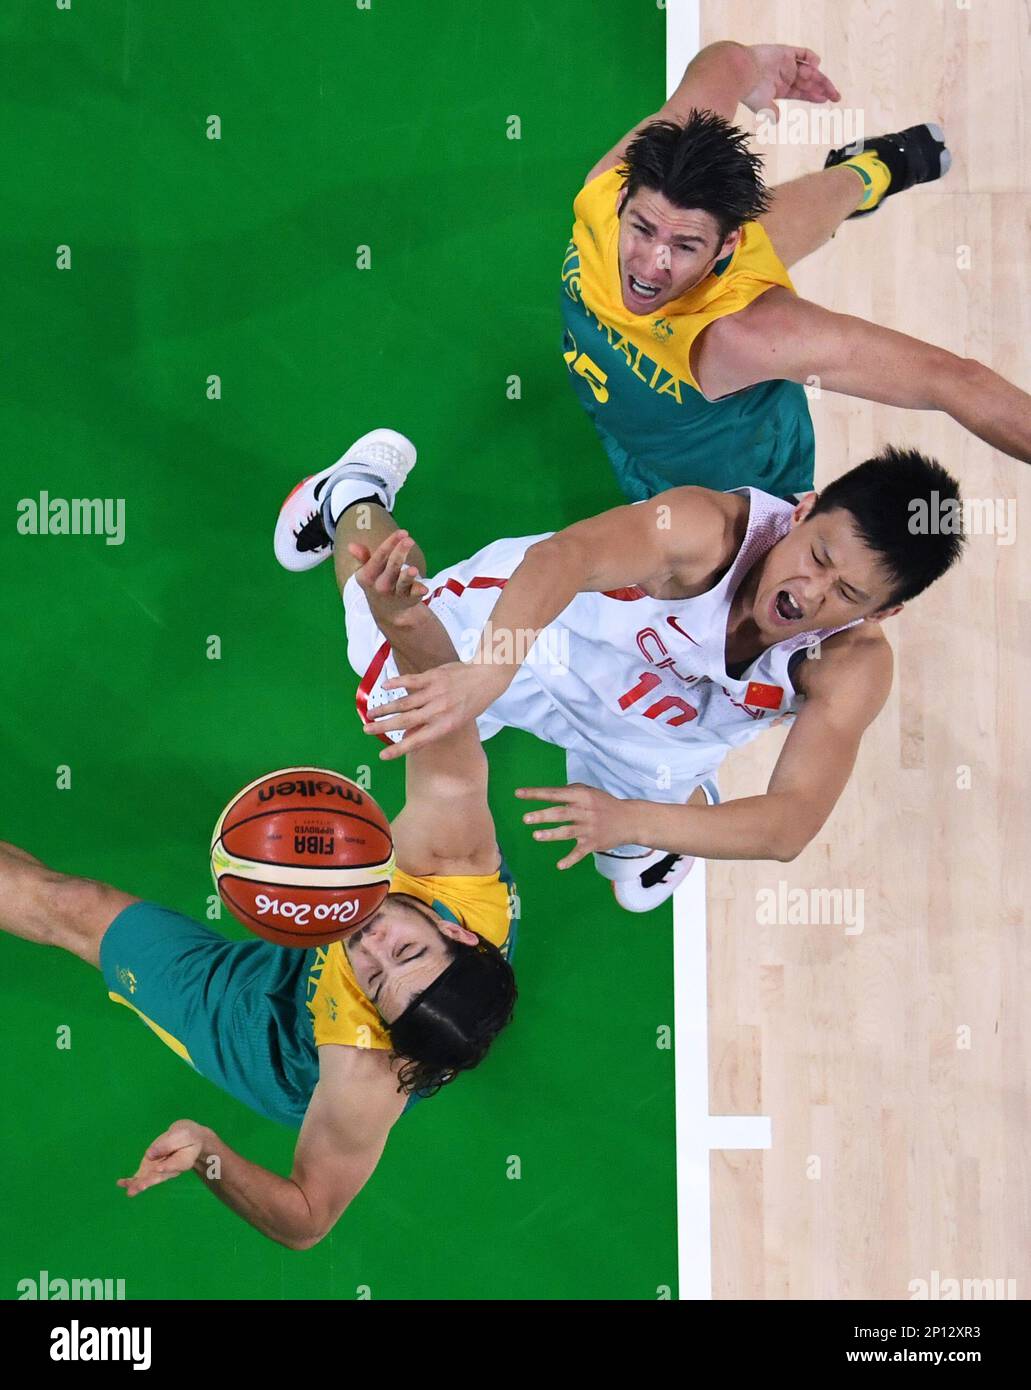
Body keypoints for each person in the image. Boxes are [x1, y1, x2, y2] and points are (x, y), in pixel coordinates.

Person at [0, 530, 517, 1249]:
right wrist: (404, 618)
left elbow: (307, 1220)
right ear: (457, 930)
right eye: (404, 949)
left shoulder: (360, 1074)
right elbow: (447, 738)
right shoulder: (453, 864)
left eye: (375, 977)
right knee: (395, 651)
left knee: (79, 911)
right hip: (388, 935)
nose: (367, 943)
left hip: (275, 1033)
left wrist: (208, 1153)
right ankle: (351, 500)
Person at [275, 429, 964, 913]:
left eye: (846, 595)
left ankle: (670, 811)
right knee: (387, 680)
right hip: (538, 637)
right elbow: (563, 558)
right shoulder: (700, 529)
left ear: (887, 611)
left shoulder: (852, 665)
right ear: (804, 511)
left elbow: (787, 827)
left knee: (628, 876)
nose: (807, 594)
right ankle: (352, 490)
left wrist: (628, 819)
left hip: (659, 732)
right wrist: (488, 669)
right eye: (815, 556)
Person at [560, 40, 1031, 500]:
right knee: (767, 227)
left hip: (727, 481)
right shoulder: (610, 186)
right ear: (623, 199)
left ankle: (874, 171)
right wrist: (759, 66)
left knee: (767, 235)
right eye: (642, 228)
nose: (651, 263)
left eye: (685, 245)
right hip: (624, 417)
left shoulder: (746, 334)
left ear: (727, 245)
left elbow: (950, 379)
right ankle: (868, 168)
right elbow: (724, 63)